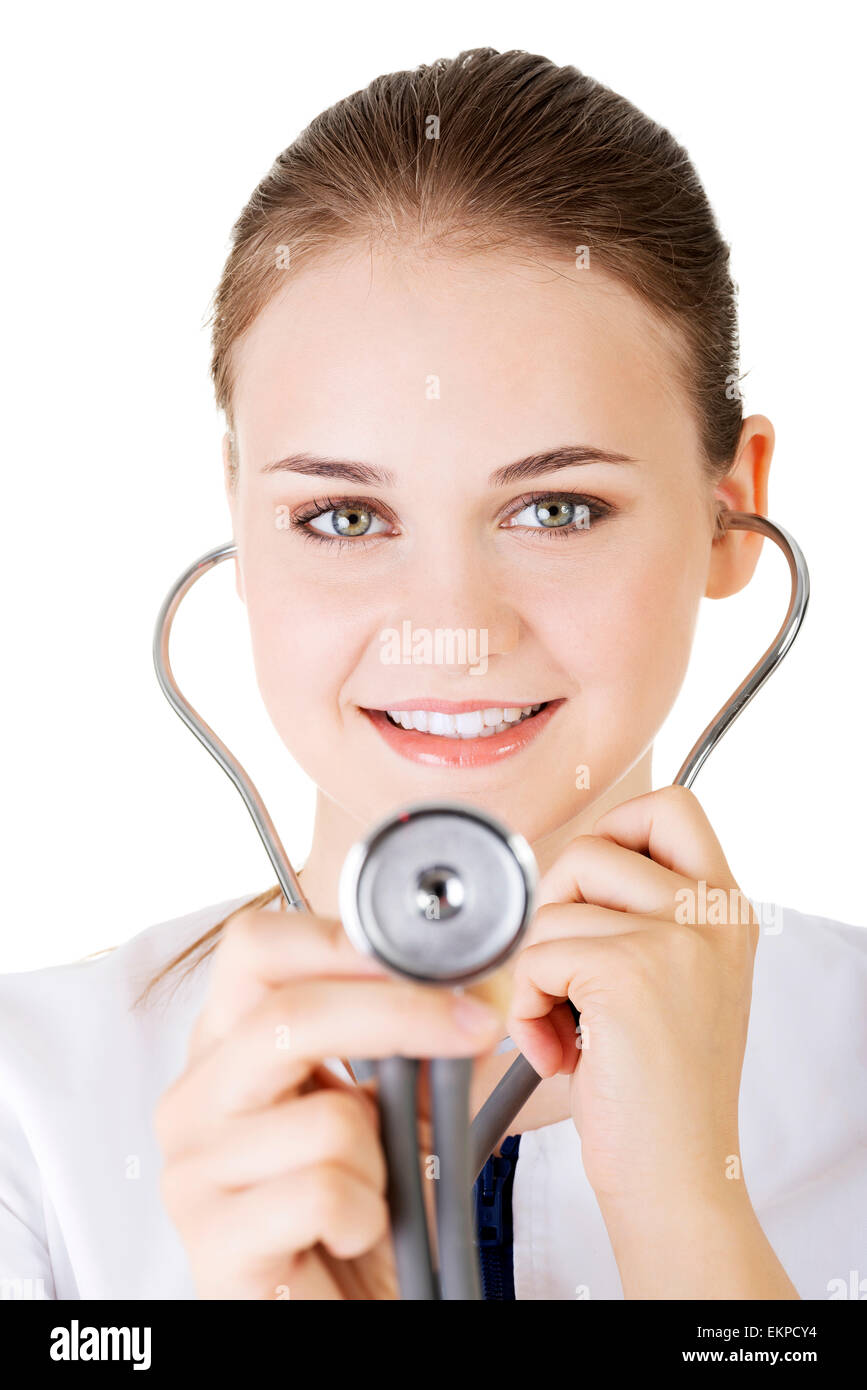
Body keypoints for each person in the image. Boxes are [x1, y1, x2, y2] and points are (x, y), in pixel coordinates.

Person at [1, 46, 864, 1302]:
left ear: (733, 514)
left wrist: (694, 1217)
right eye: (345, 519)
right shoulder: (29, 1117)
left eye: (558, 508)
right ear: (240, 529)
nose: (449, 626)